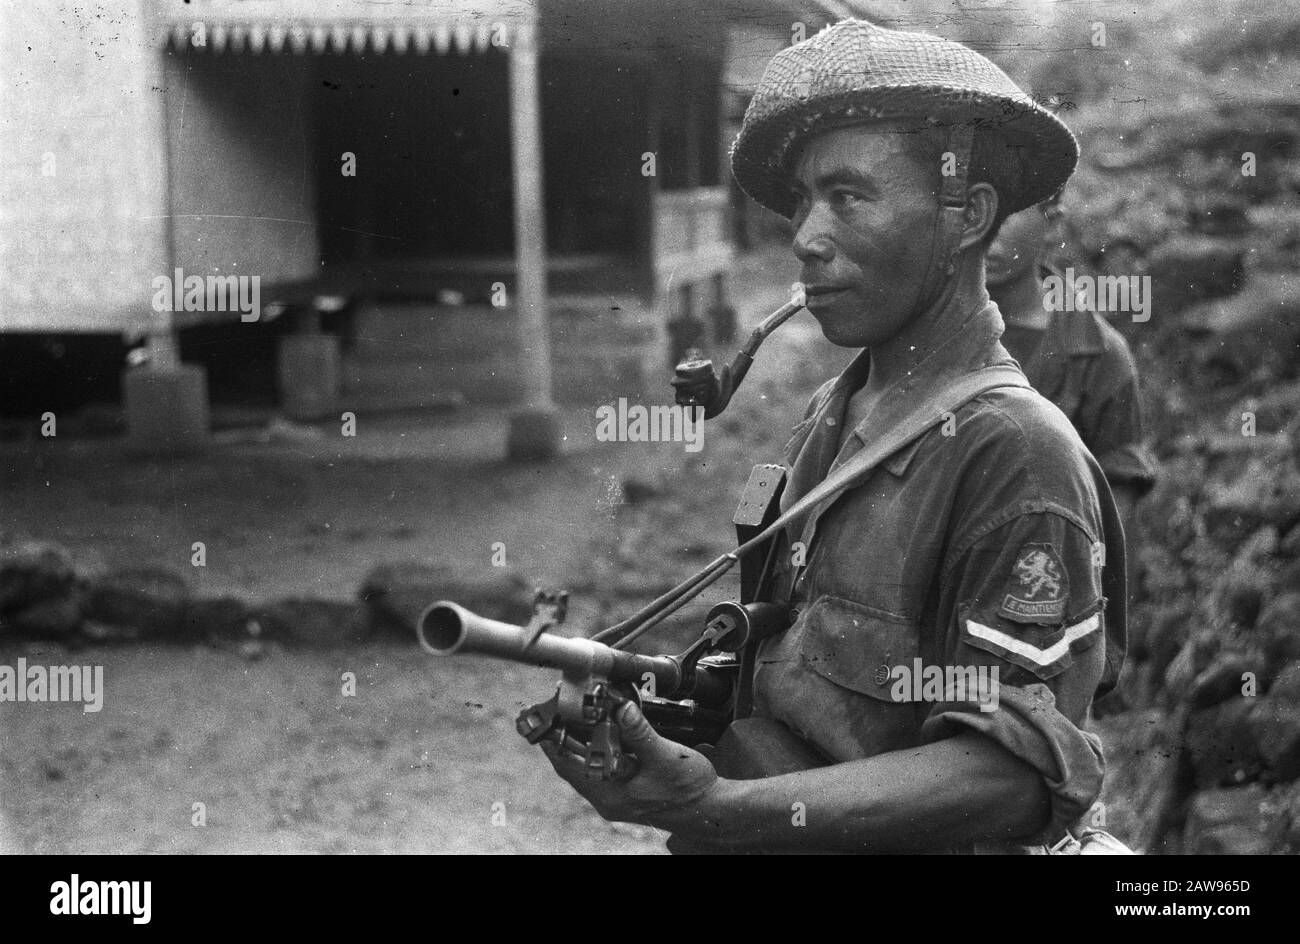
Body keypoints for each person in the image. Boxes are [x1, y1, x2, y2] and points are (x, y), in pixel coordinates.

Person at [529, 18, 1127, 853]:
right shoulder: (832, 418)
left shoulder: (1013, 452)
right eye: (803, 201)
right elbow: (793, 671)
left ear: (967, 215)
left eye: (847, 197)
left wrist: (710, 810)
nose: (806, 236)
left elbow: (1012, 778)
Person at [986, 193, 1158, 519]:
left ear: (1052, 225)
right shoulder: (914, 325)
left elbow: (1117, 494)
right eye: (970, 205)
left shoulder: (1099, 354)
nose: (985, 227)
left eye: (1006, 212)